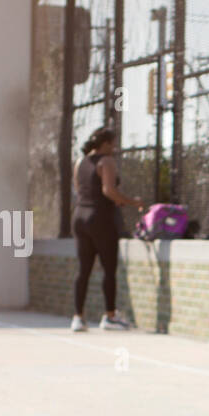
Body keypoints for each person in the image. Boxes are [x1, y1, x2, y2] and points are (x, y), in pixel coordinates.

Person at [70, 127, 145, 331]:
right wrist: (132, 201)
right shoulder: (107, 161)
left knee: (83, 269)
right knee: (108, 268)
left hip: (79, 216)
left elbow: (79, 189)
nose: (114, 148)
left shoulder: (80, 162)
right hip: (100, 218)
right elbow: (109, 191)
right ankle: (110, 316)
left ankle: (78, 317)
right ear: (104, 144)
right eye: (112, 143)